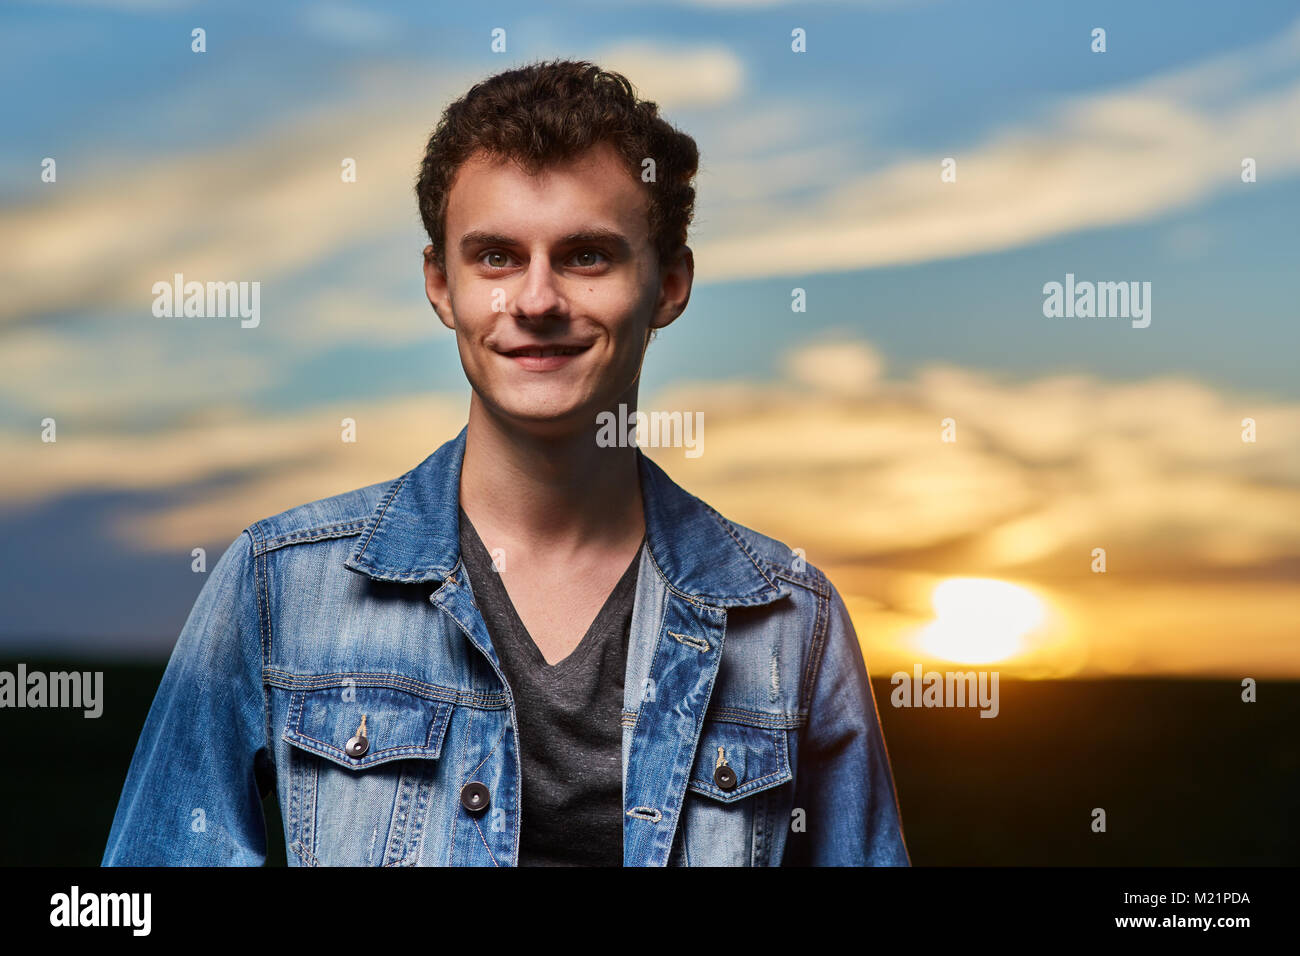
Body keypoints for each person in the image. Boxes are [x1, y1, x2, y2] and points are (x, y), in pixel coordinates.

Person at [101, 58, 909, 867]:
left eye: (587, 255)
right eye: (495, 257)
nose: (536, 300)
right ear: (439, 284)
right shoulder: (277, 586)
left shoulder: (790, 626)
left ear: (669, 284)